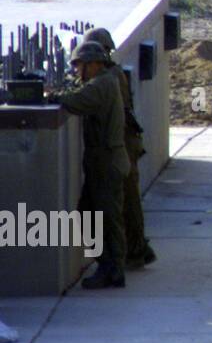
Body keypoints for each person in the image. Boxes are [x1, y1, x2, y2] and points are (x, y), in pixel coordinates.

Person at [54, 41, 129, 289]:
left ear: (94, 64)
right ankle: (108, 265)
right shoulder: (104, 80)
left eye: (80, 66)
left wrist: (51, 95)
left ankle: (113, 269)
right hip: (103, 160)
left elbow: (76, 101)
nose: (77, 72)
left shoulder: (102, 84)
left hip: (106, 161)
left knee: (107, 218)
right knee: (91, 213)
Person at [85, 28, 156, 270]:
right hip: (126, 142)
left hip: (123, 143)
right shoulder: (112, 73)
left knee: (127, 202)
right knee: (126, 201)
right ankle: (135, 250)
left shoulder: (110, 77)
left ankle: (135, 251)